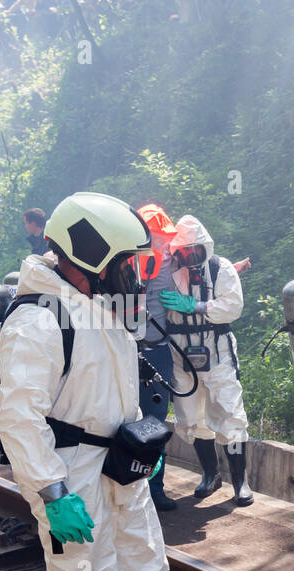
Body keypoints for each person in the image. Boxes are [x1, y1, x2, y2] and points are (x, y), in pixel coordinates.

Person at [0, 191, 211, 571]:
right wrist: (51, 493)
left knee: (142, 561)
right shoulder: (37, 321)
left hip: (119, 462)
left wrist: (142, 441)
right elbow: (19, 419)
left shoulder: (92, 305)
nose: (131, 274)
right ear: (89, 258)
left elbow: (114, 382)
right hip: (70, 472)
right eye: (122, 262)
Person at [160, 214, 253, 507]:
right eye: (184, 252)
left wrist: (196, 306)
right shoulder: (169, 271)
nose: (190, 258)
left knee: (229, 411)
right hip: (180, 351)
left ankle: (241, 482)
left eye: (195, 251)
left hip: (217, 349)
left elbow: (233, 307)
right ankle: (210, 474)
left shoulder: (220, 268)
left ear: (205, 248)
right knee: (191, 416)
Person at [135, 203, 179, 511]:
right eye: (155, 236)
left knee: (157, 423)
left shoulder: (172, 263)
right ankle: (130, 485)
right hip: (129, 353)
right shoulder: (122, 263)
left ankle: (155, 487)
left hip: (160, 353)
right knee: (126, 420)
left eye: (164, 237)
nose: (161, 242)